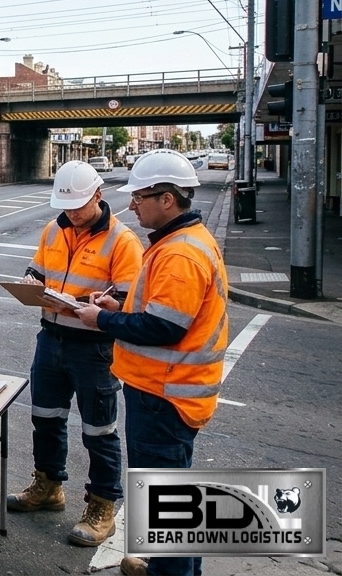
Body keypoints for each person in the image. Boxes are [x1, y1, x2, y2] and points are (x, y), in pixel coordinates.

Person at [73, 149, 229, 576]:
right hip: (166, 391)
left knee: (166, 498)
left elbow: (164, 327)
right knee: (172, 494)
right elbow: (159, 308)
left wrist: (102, 318)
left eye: (140, 196)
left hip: (165, 394)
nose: (131, 205)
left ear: (167, 199)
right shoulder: (179, 242)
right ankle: (169, 567)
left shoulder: (179, 254)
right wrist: (120, 302)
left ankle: (170, 571)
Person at [8, 161, 143, 547]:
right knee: (45, 419)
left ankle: (102, 506)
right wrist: (31, 283)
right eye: (65, 207)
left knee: (99, 432)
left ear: (98, 196)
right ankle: (48, 485)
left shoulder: (123, 241)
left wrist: (86, 304)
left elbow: (126, 299)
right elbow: (37, 270)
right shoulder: (54, 229)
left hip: (94, 347)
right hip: (51, 338)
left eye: (78, 207)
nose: (71, 214)